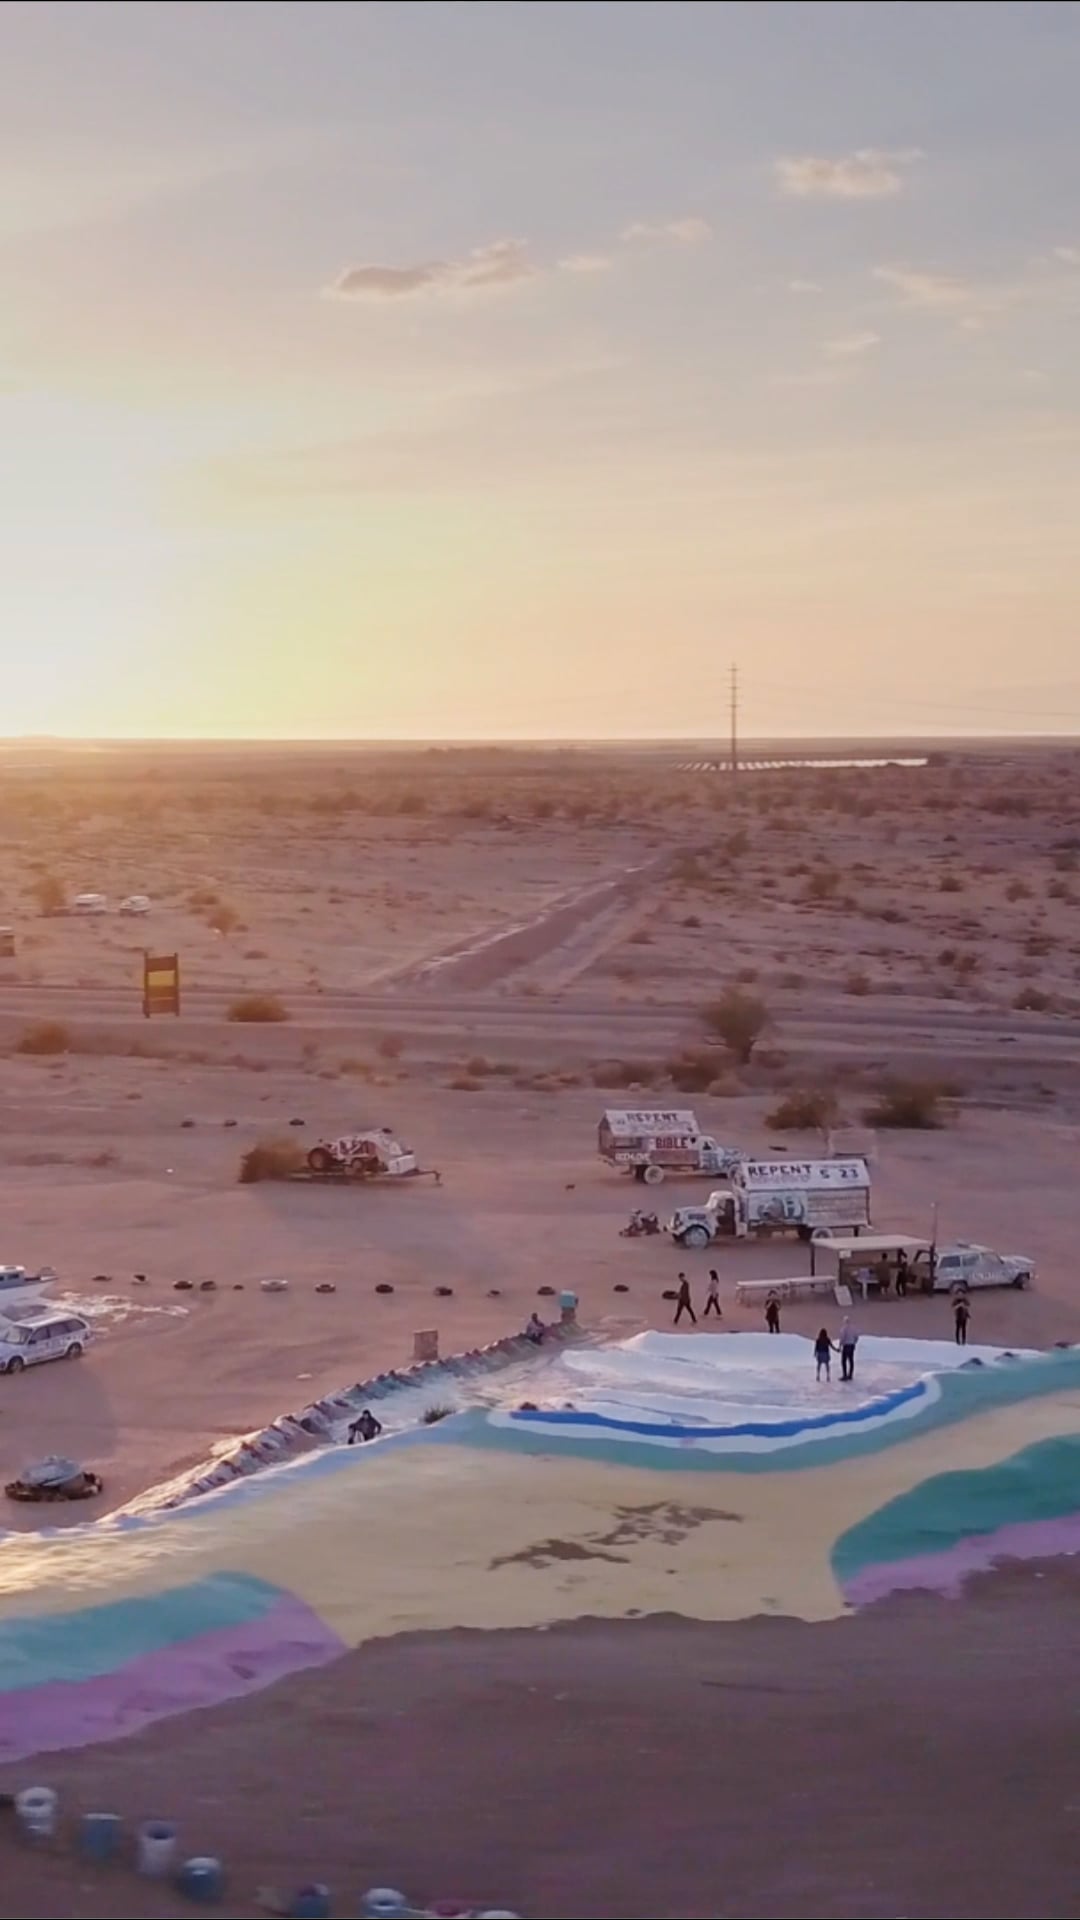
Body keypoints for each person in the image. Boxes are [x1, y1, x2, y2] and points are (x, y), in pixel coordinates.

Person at [838, 1316, 859, 1382]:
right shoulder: (854, 1328)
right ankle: (850, 1375)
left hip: (846, 1345)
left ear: (844, 1321)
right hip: (852, 1345)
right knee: (851, 1360)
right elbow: (856, 1337)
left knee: (844, 1361)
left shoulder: (843, 1329)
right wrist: (854, 1343)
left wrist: (840, 1345)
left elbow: (842, 1338)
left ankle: (845, 1375)